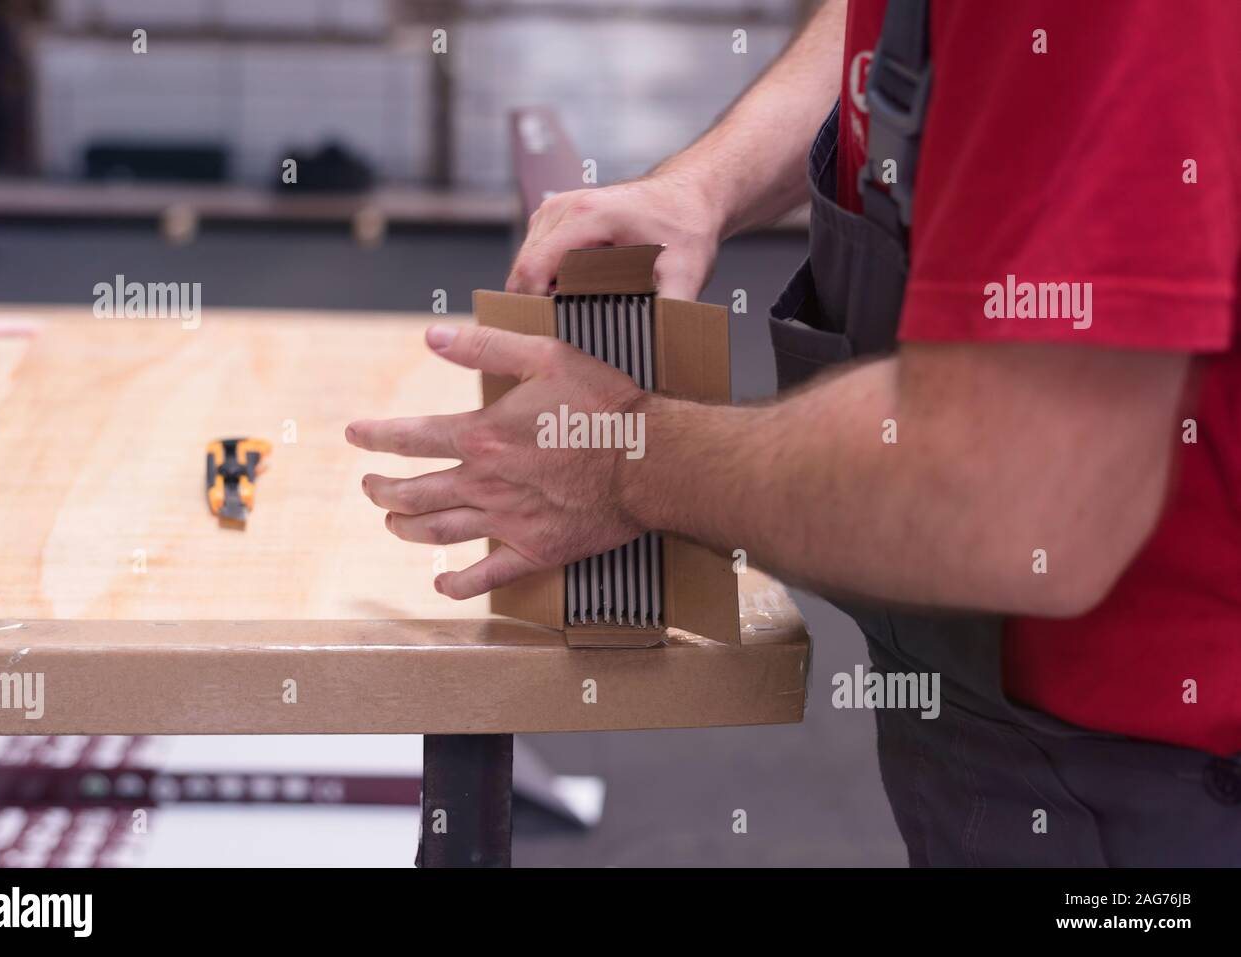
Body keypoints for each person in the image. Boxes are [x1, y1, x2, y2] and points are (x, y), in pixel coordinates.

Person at [347, 0, 1241, 865]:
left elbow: (1020, 496)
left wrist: (624, 459)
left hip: (1152, 784)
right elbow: (901, 25)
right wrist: (707, 183)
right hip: (1009, 722)